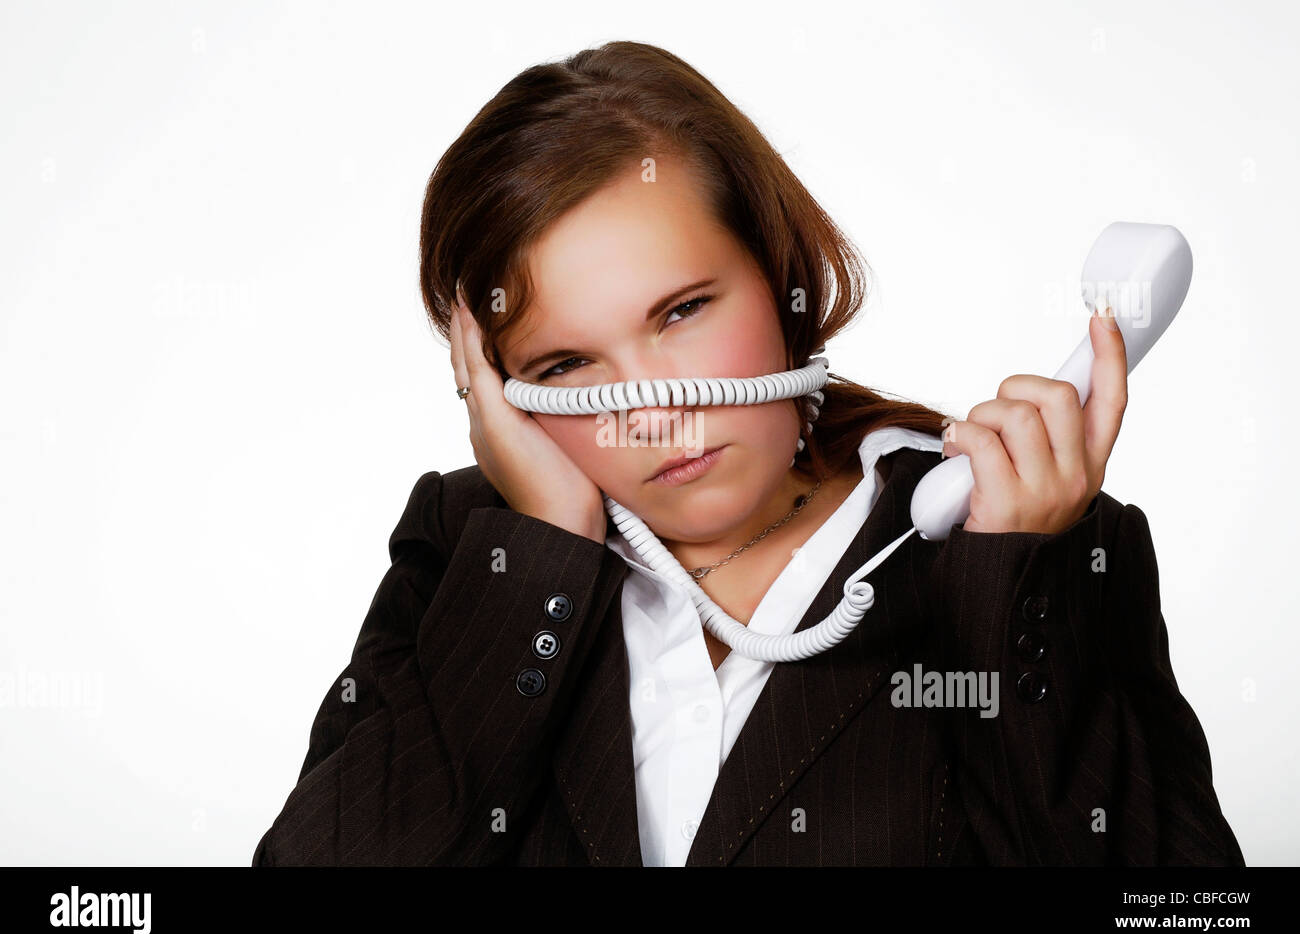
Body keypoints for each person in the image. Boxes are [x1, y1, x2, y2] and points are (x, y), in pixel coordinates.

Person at [251, 40, 1243, 866]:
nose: (654, 410)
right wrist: (537, 557)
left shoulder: (1023, 538)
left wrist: (1013, 581)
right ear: (495, 389)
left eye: (681, 311)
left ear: (778, 273)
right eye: (565, 362)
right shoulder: (472, 556)